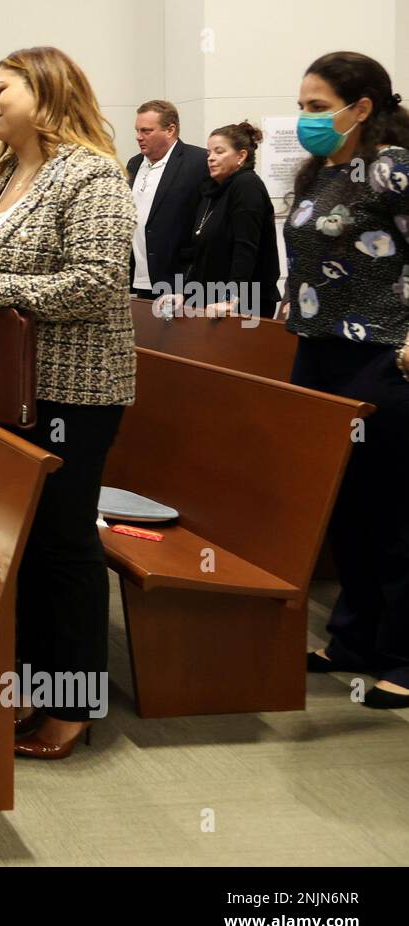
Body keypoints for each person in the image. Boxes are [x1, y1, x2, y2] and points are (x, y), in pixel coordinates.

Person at [0, 47, 137, 758]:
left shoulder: (92, 173)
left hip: (73, 390)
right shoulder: (4, 177)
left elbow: (102, 281)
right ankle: (40, 686)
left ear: (47, 93)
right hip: (7, 390)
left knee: (65, 544)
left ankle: (74, 708)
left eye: (1, 89)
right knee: (28, 547)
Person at [286, 51, 409, 710]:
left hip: (383, 353)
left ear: (360, 108)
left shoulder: (394, 170)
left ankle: (402, 655)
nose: (305, 118)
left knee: (391, 509)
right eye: (301, 105)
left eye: (316, 106)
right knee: (344, 503)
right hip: (318, 352)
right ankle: (353, 640)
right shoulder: (318, 172)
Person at [169, 121, 280, 318]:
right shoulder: (212, 190)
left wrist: (231, 298)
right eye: (209, 153)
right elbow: (196, 251)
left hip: (246, 302)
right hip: (209, 297)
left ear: (241, 155)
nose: (211, 158)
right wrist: (183, 292)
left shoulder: (247, 185)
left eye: (219, 152)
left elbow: (245, 248)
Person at [126, 100, 208, 298]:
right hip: (141, 278)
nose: (139, 137)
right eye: (137, 130)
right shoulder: (135, 164)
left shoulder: (198, 162)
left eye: (146, 131)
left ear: (170, 130)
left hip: (180, 282)